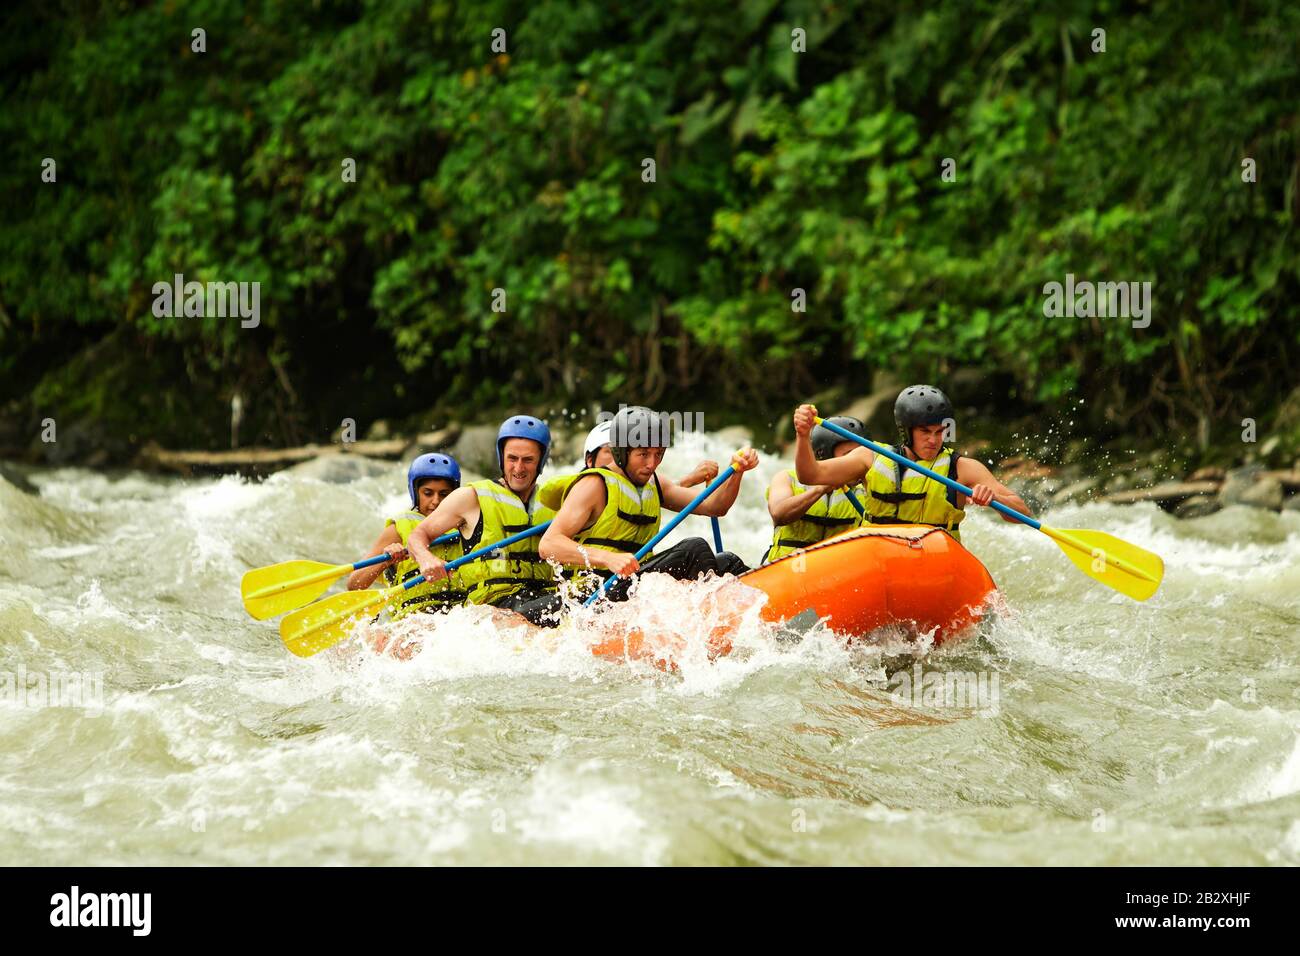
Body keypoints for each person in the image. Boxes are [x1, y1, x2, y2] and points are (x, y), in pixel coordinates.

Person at [510, 405, 759, 627]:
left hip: (636, 584)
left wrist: (737, 472)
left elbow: (716, 507)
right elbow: (549, 544)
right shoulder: (594, 486)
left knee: (727, 561)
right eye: (643, 454)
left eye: (658, 454)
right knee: (694, 549)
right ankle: (710, 623)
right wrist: (607, 558)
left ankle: (760, 611)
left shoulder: (655, 483)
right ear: (621, 451)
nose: (652, 463)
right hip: (596, 594)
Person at [792, 385, 1031, 541]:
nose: (934, 440)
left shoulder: (963, 468)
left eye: (940, 431)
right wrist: (803, 436)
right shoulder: (870, 457)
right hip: (877, 555)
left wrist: (994, 499)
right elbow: (810, 475)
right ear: (906, 431)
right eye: (925, 431)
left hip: (935, 561)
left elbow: (1023, 514)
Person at [407, 415, 557, 612]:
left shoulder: (554, 502)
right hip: (495, 606)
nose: (518, 468)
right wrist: (426, 558)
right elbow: (417, 536)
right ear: (501, 456)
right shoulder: (470, 498)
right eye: (512, 458)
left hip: (545, 598)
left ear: (541, 461)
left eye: (528, 460)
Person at [347, 453, 467, 618]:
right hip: (413, 616)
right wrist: (387, 560)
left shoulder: (464, 524)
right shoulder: (399, 527)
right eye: (428, 493)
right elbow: (355, 584)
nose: (436, 501)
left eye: (444, 494)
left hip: (460, 613)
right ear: (415, 492)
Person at [761, 416, 868, 564]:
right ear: (823, 455)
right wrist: (820, 488)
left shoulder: (866, 487)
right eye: (848, 455)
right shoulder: (786, 478)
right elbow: (779, 514)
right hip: (786, 569)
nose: (855, 462)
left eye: (859, 455)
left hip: (837, 571)